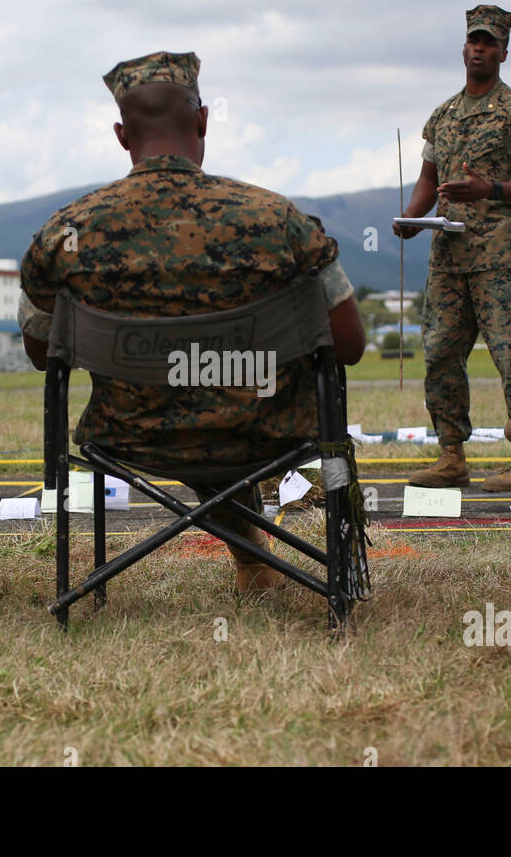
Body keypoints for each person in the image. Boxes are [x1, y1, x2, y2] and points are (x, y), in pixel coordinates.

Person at [18, 50, 366, 594]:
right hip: (265, 429)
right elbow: (348, 344)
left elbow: (43, 355)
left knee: (193, 402)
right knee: (225, 401)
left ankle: (248, 561)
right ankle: (259, 561)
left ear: (120, 134)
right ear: (202, 120)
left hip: (129, 432)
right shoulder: (279, 221)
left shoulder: (65, 233)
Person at [394, 4, 511, 492]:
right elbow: (428, 178)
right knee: (440, 352)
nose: (479, 49)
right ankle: (451, 456)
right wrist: (413, 219)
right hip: (449, 260)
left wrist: (493, 191)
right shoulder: (441, 115)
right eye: (473, 41)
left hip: (503, 259)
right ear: (464, 48)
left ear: (503, 51)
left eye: (489, 42)